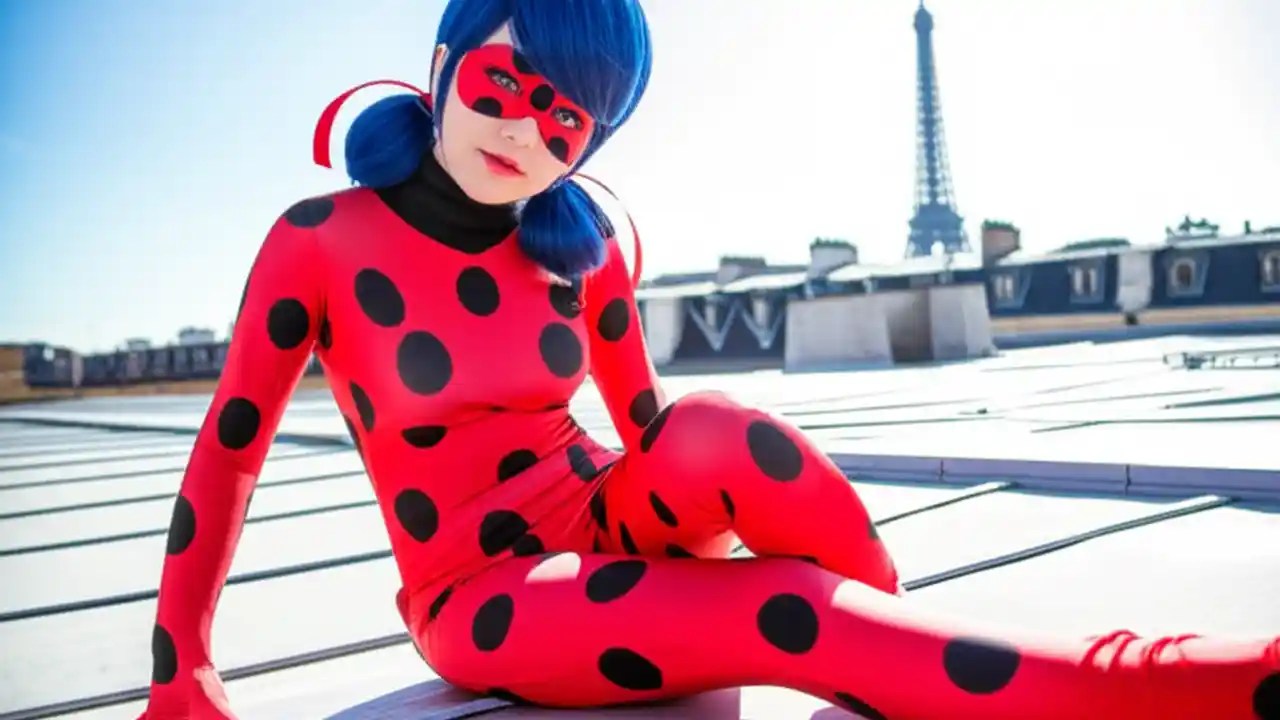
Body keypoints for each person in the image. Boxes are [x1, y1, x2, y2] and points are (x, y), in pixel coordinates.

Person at [137, 1, 1279, 718]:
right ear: (443, 59)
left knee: (730, 428)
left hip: (600, 512)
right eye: (502, 84)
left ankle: (887, 660)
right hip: (479, 593)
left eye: (563, 120)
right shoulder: (319, 243)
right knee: (777, 610)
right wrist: (179, 660)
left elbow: (650, 435)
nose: (524, 131)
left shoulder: (585, 246)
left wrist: (716, 484)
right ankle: (1180, 684)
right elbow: (228, 452)